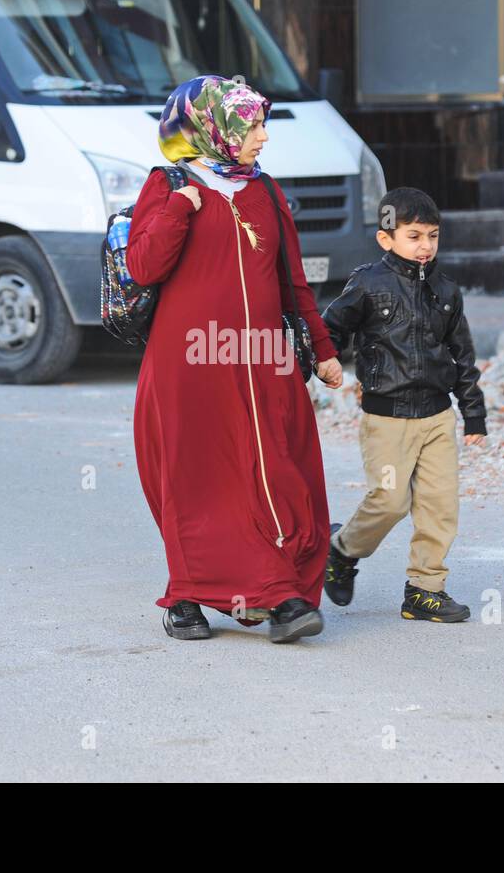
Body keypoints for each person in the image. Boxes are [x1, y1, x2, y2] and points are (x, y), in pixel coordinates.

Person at [126, 75, 343, 644]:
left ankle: (274, 589)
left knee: (278, 473)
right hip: (189, 367)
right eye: (251, 126)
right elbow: (143, 267)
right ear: (212, 128)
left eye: (260, 124)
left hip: (264, 362)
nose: (263, 137)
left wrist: (322, 349)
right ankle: (197, 596)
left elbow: (293, 283)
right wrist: (178, 208)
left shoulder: (266, 192)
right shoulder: (170, 184)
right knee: (198, 481)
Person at [319, 186, 487, 622]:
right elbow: (330, 328)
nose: (425, 246)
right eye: (414, 235)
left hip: (436, 418)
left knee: (439, 505)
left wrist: (474, 414)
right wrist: (325, 360)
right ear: (386, 238)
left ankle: (424, 590)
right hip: (387, 420)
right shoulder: (368, 284)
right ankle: (340, 551)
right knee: (390, 501)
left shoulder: (447, 291)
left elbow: (463, 355)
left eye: (433, 235)